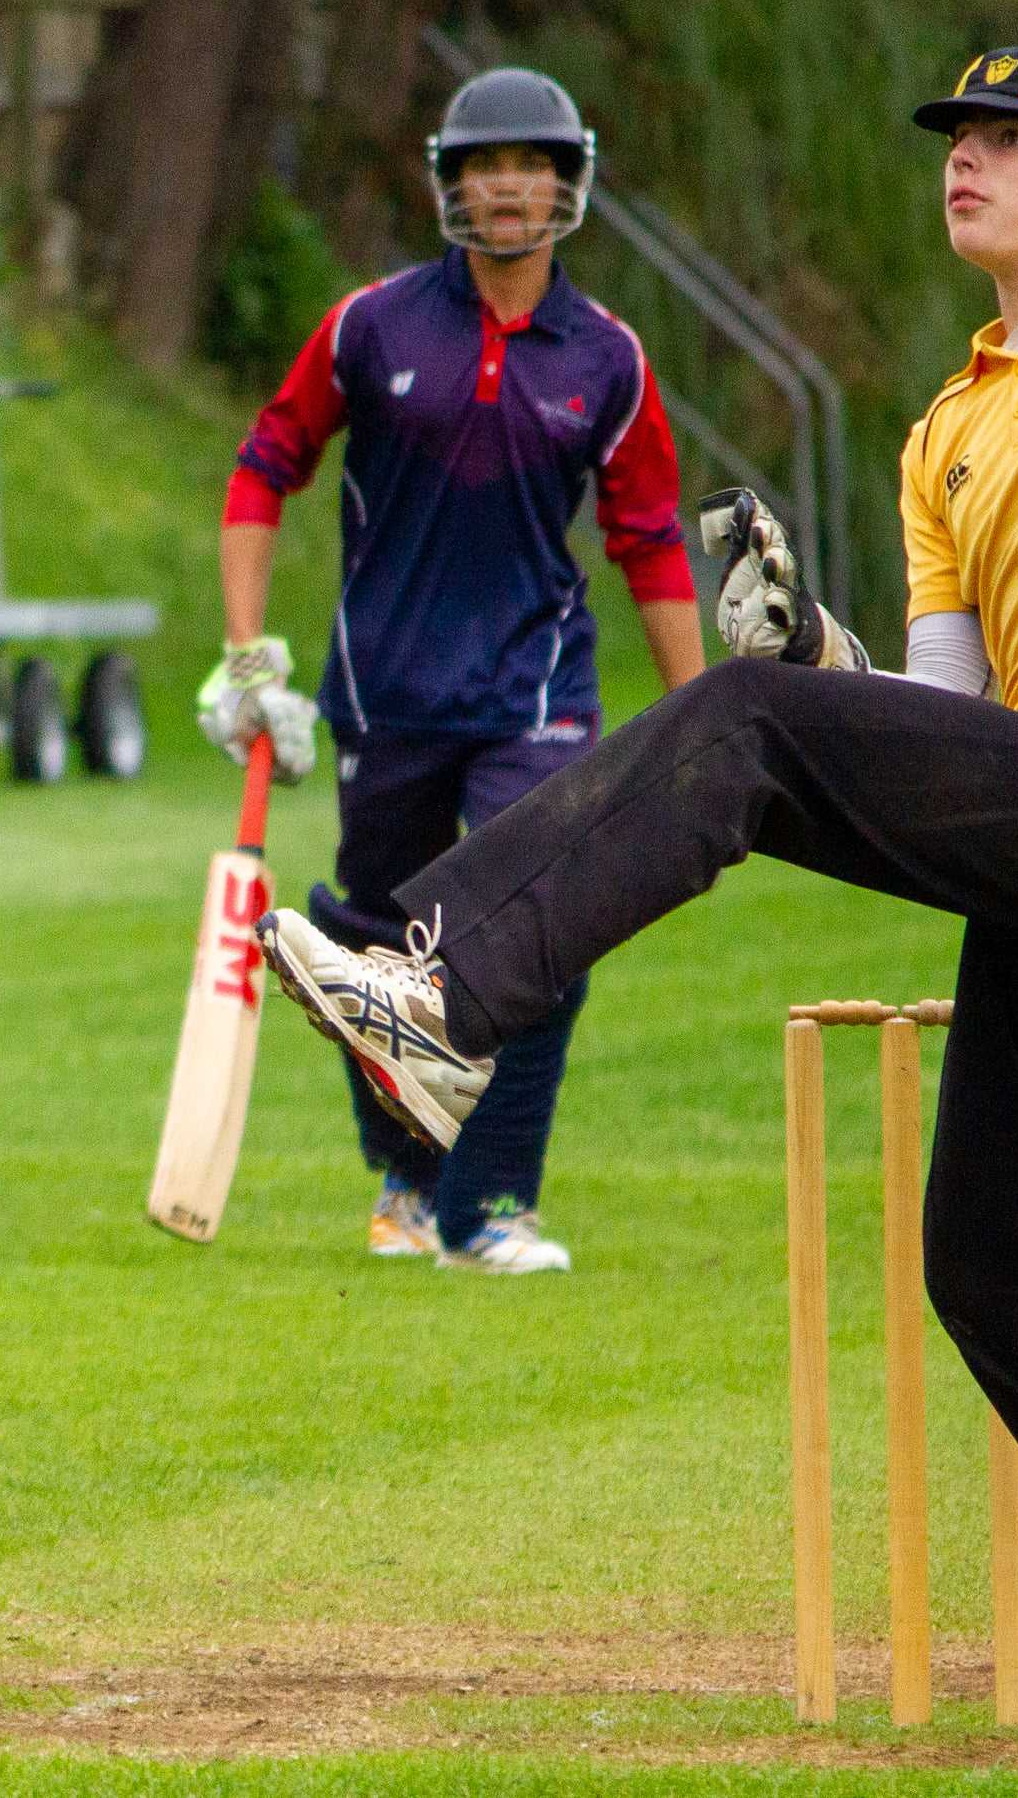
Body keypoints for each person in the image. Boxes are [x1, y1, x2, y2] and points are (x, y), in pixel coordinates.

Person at [254, 43, 1018, 1732]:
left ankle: (446, 997)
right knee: (985, 1259)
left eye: (1008, 136)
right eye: (955, 138)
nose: (965, 160)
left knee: (744, 729)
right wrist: (829, 659)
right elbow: (946, 727)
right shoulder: (944, 432)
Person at [195, 67, 705, 1275]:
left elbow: (650, 540)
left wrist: (703, 718)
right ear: (451, 183)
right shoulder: (372, 326)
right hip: (387, 689)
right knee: (376, 948)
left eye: (533, 163)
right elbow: (266, 462)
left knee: (542, 924)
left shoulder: (610, 358)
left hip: (535, 690)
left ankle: (490, 1208)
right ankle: (410, 1185)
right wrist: (243, 645)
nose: (511, 185)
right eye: (488, 165)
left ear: (568, 181)